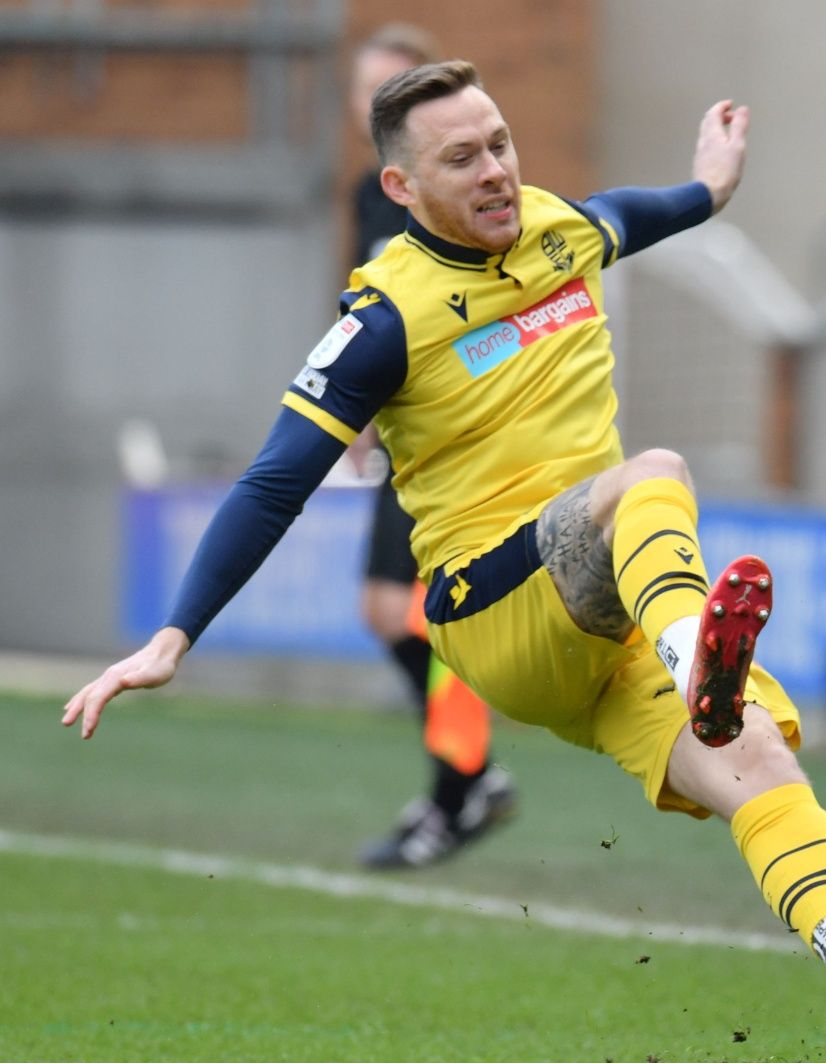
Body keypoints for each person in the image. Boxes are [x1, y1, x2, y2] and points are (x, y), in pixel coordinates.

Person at [61, 60, 826, 1047]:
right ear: (402, 189)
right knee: (648, 475)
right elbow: (272, 480)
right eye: (461, 158)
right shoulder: (381, 321)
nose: (494, 172)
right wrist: (175, 635)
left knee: (759, 762)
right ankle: (701, 664)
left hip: (602, 638)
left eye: (501, 144)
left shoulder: (562, 230)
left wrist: (711, 188)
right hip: (489, 608)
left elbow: (637, 213)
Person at [343, 24, 516, 871]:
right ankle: (467, 776)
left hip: (456, 438)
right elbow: (364, 310)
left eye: (395, 83)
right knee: (389, 611)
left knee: (429, 615)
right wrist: (358, 415)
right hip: (404, 433)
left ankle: (461, 783)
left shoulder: (460, 192)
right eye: (369, 87)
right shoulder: (369, 197)